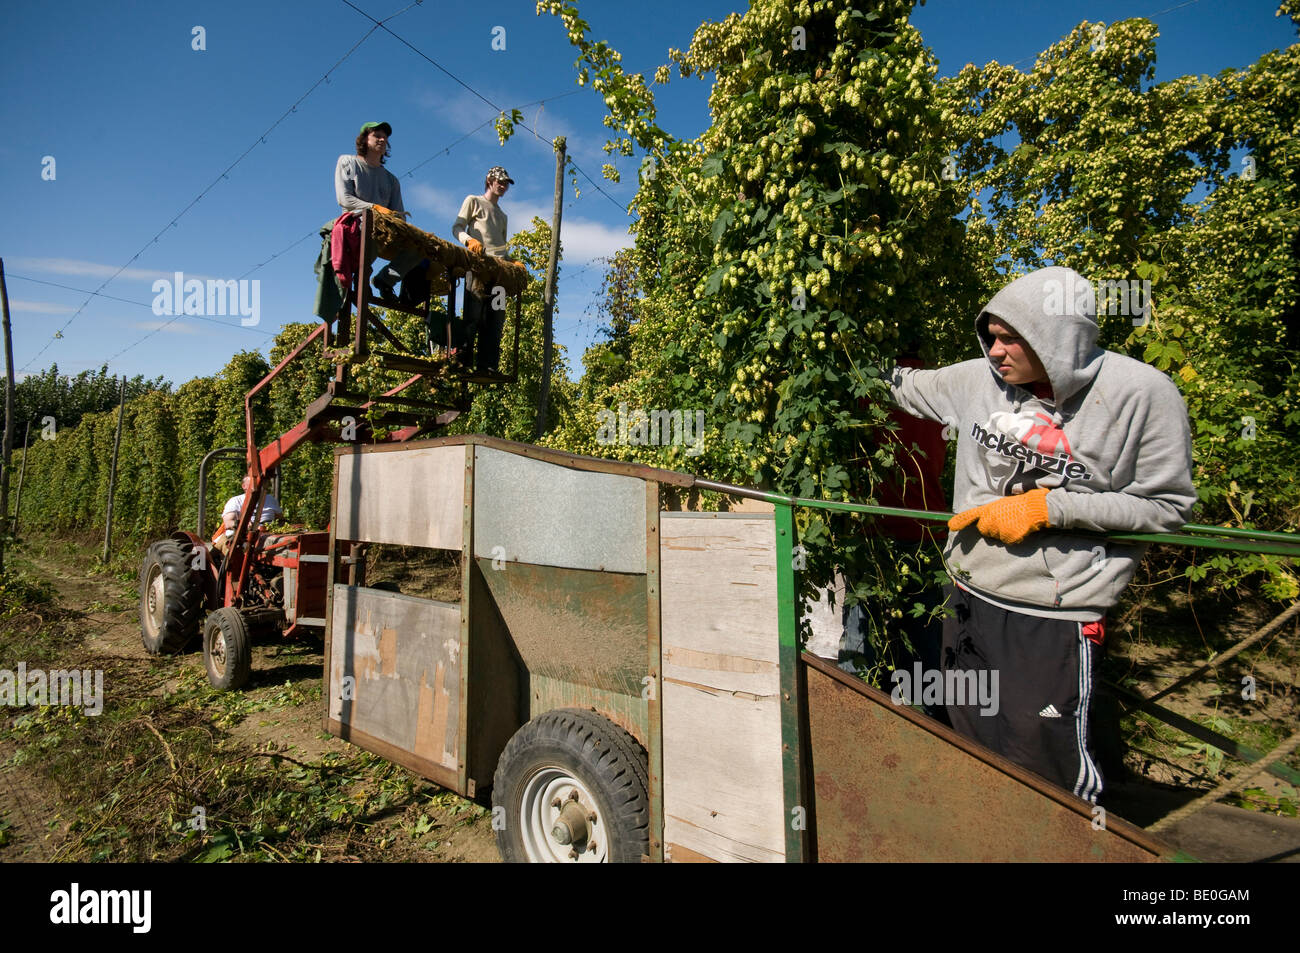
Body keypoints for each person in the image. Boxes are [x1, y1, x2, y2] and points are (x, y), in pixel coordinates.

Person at [887, 265, 1196, 802]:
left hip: (1052, 611)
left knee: (1041, 759)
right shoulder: (975, 380)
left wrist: (1051, 508)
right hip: (966, 596)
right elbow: (904, 387)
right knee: (969, 741)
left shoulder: (1141, 394)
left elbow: (1168, 507)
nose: (995, 351)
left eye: (1011, 339)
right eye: (991, 336)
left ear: (1055, 338)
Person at [334, 121, 423, 304]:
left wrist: (402, 227)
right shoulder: (348, 162)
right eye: (377, 135)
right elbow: (345, 199)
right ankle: (361, 276)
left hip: (385, 229)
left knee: (420, 245)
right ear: (364, 139)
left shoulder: (391, 180)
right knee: (371, 228)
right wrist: (374, 208)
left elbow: (399, 215)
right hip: (356, 225)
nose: (382, 140)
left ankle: (385, 281)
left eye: (385, 137)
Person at [452, 166, 514, 373]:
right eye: (500, 182)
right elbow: (457, 228)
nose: (503, 186)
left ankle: (488, 365)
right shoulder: (474, 201)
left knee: (496, 318)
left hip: (499, 273)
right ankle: (464, 361)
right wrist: (469, 241)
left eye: (506, 183)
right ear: (490, 181)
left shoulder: (503, 215)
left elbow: (502, 248)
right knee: (473, 314)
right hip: (478, 266)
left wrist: (512, 262)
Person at [213, 476, 284, 555]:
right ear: (244, 486)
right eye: (253, 483)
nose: (257, 485)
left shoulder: (270, 499)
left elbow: (280, 519)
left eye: (259, 483)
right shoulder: (236, 501)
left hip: (267, 535)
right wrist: (243, 525)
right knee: (236, 548)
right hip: (242, 536)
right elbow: (228, 523)